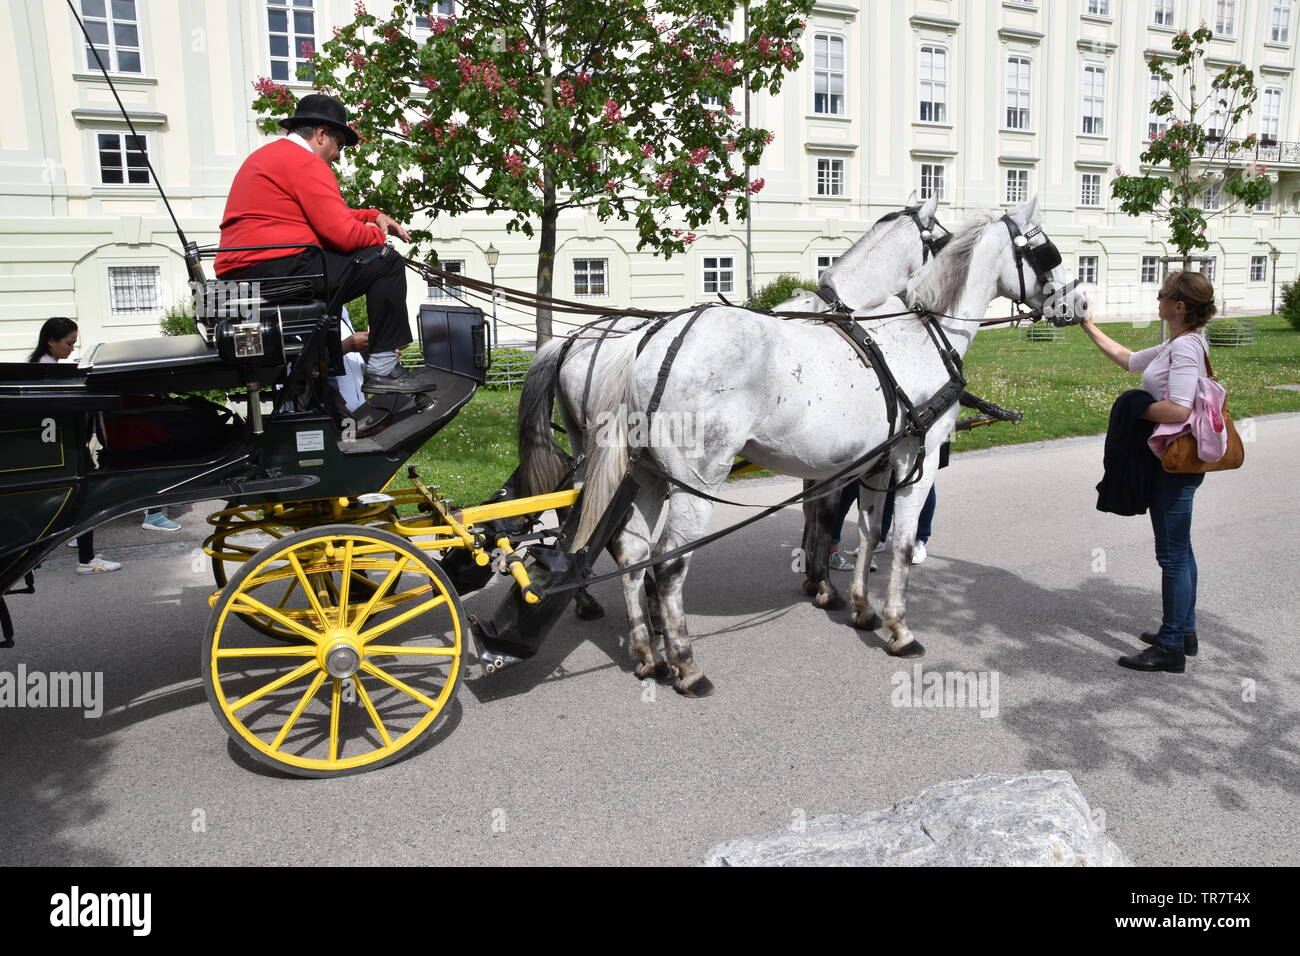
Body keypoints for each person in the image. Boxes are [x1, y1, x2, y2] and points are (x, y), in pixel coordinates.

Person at [215, 93, 437, 395]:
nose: (339, 155)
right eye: (340, 145)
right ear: (321, 134)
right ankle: (384, 366)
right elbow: (342, 234)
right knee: (386, 261)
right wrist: (377, 234)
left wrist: (371, 215)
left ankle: (326, 384)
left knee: (351, 263)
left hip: (250, 272)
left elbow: (328, 213)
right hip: (276, 271)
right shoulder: (306, 163)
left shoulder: (272, 156)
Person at [1081, 271, 1216, 674]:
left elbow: (1179, 409)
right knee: (1180, 550)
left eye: (1162, 295)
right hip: (1170, 460)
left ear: (1179, 306)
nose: (1157, 299)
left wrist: (1132, 408)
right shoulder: (1176, 343)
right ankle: (1183, 631)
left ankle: (1172, 646)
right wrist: (1087, 324)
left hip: (1174, 464)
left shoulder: (1186, 347)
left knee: (1172, 555)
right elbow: (1127, 359)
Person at [29, 318, 122, 574]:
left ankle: (78, 553)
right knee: (85, 501)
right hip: (64, 450)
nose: (72, 348)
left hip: (58, 449)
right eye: (69, 343)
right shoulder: (47, 372)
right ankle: (86, 560)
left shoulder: (43, 367)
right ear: (51, 341)